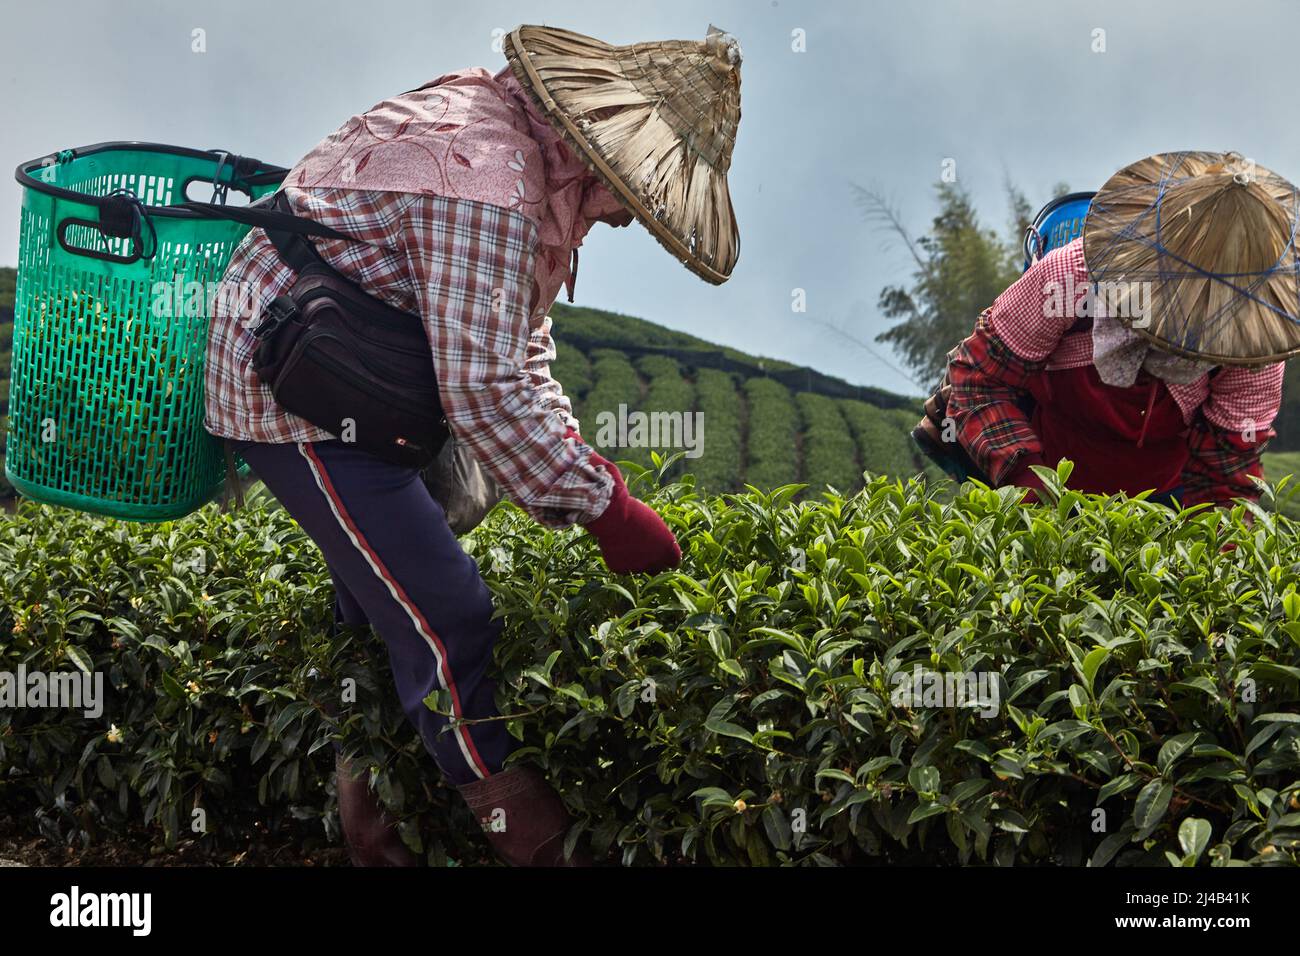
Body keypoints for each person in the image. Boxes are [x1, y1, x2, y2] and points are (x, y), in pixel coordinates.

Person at [203, 24, 743, 866]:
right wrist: (609, 511)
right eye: (634, 197)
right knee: (449, 615)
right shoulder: (488, 181)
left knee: (386, 601)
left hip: (364, 375)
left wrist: (585, 471)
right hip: (296, 395)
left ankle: (375, 831)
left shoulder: (511, 141)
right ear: (597, 154)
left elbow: (516, 345)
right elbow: (486, 388)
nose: (631, 222)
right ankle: (534, 845)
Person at [920, 151, 1298, 507]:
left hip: (1162, 492)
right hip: (1043, 464)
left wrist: (1212, 559)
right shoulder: (1070, 278)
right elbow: (981, 381)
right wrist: (1035, 495)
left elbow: (1227, 470)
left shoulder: (1251, 348)